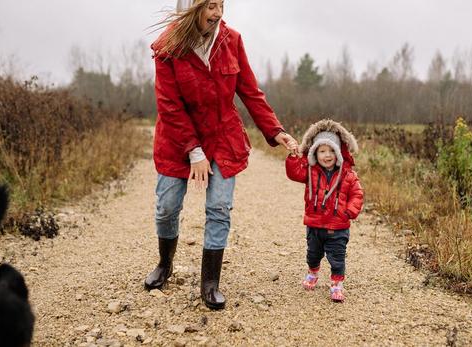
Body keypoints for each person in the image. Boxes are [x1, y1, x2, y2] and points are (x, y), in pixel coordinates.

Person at [145, 0, 298, 311]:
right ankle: (165, 264)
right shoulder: (167, 48)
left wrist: (275, 130)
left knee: (219, 207)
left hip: (222, 136)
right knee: (167, 207)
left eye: (222, 5)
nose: (217, 13)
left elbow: (250, 92)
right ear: (191, 7)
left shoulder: (232, 41)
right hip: (178, 140)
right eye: (210, 6)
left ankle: (210, 282)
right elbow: (169, 106)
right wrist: (194, 151)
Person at [285, 119, 364, 302]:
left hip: (338, 226)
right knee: (313, 253)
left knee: (337, 257)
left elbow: (357, 194)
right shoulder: (310, 172)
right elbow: (294, 173)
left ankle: (337, 284)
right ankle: (313, 272)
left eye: (331, 151)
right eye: (322, 151)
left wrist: (349, 211)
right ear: (314, 153)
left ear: (338, 153)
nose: (327, 155)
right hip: (315, 224)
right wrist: (293, 157)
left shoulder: (348, 175)